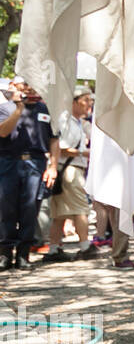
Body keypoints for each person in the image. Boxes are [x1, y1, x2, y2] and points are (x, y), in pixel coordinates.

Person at [0, 77, 60, 271]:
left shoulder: (45, 109)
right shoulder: (5, 108)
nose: (29, 87)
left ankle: (24, 254)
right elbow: (3, 132)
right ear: (16, 86)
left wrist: (53, 167)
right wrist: (19, 109)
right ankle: (5, 253)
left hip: (35, 163)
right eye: (24, 83)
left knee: (30, 209)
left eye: (32, 82)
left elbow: (53, 140)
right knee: (6, 209)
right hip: (9, 162)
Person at [44, 86, 98, 262]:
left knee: (59, 212)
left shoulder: (77, 122)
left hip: (65, 169)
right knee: (81, 208)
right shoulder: (65, 121)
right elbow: (62, 147)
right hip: (69, 170)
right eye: (86, 99)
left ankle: (53, 249)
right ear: (74, 102)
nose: (89, 103)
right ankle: (84, 246)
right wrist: (84, 153)